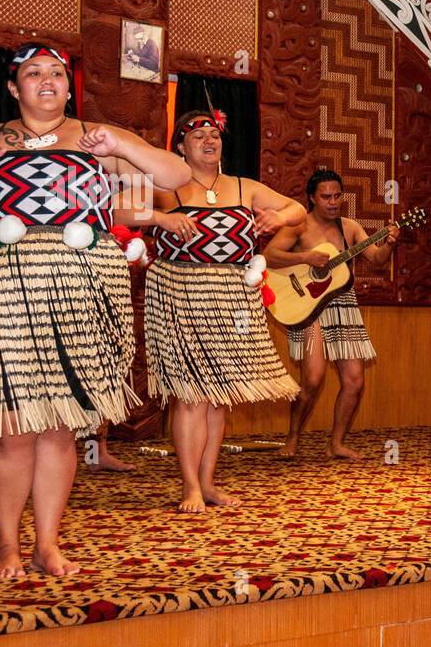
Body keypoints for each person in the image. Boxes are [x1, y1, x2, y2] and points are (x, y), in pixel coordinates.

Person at [0, 43, 190, 577]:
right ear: (14, 87)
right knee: (11, 427)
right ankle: (8, 543)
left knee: (58, 425)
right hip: (7, 286)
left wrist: (120, 142)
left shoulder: (95, 137)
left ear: (68, 85)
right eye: (34, 73)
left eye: (57, 72)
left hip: (83, 284)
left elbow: (172, 175)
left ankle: (47, 543)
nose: (47, 80)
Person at [146, 110, 305, 512]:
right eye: (197, 135)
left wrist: (277, 215)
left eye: (214, 133)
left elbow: (297, 210)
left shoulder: (243, 187)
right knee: (191, 395)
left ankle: (208, 483)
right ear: (180, 146)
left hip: (233, 296)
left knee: (218, 397)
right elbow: (119, 210)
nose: (208, 140)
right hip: (181, 292)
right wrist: (160, 218)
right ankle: (189, 487)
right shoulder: (168, 187)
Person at [264, 169, 398, 459]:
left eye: (337, 196)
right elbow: (269, 255)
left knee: (354, 380)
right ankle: (293, 437)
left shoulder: (348, 227)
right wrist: (305, 258)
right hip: (307, 306)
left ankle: (337, 443)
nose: (333, 201)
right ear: (312, 198)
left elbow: (375, 259)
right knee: (313, 379)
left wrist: (387, 243)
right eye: (326, 196)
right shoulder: (297, 226)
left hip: (343, 305)